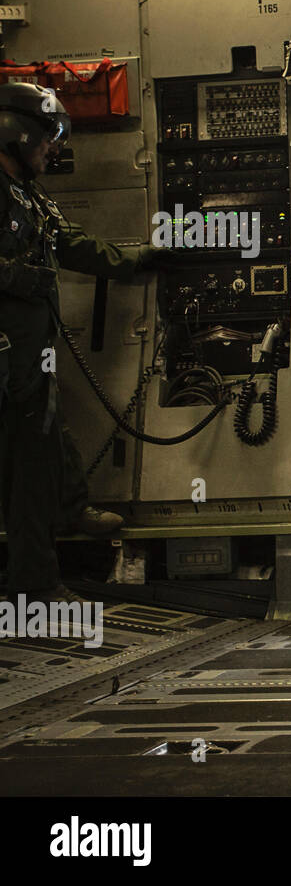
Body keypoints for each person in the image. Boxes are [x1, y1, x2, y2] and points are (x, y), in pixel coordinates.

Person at [0, 82, 163, 602]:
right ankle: (34, 585)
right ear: (16, 133)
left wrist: (137, 258)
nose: (54, 149)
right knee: (29, 472)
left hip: (28, 359)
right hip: (8, 361)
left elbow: (68, 242)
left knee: (46, 445)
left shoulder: (26, 196)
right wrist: (15, 278)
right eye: (48, 138)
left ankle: (66, 518)